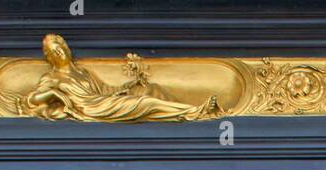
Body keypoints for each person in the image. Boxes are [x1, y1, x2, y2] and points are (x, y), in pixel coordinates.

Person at [23, 34, 223, 123]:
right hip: (90, 108)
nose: (58, 51)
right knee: (146, 102)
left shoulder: (83, 73)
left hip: (102, 101)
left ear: (66, 48)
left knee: (150, 89)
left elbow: (105, 90)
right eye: (53, 51)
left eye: (59, 46)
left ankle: (183, 110)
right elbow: (31, 100)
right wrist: (53, 92)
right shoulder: (52, 78)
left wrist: (129, 85)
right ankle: (194, 112)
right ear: (48, 58)